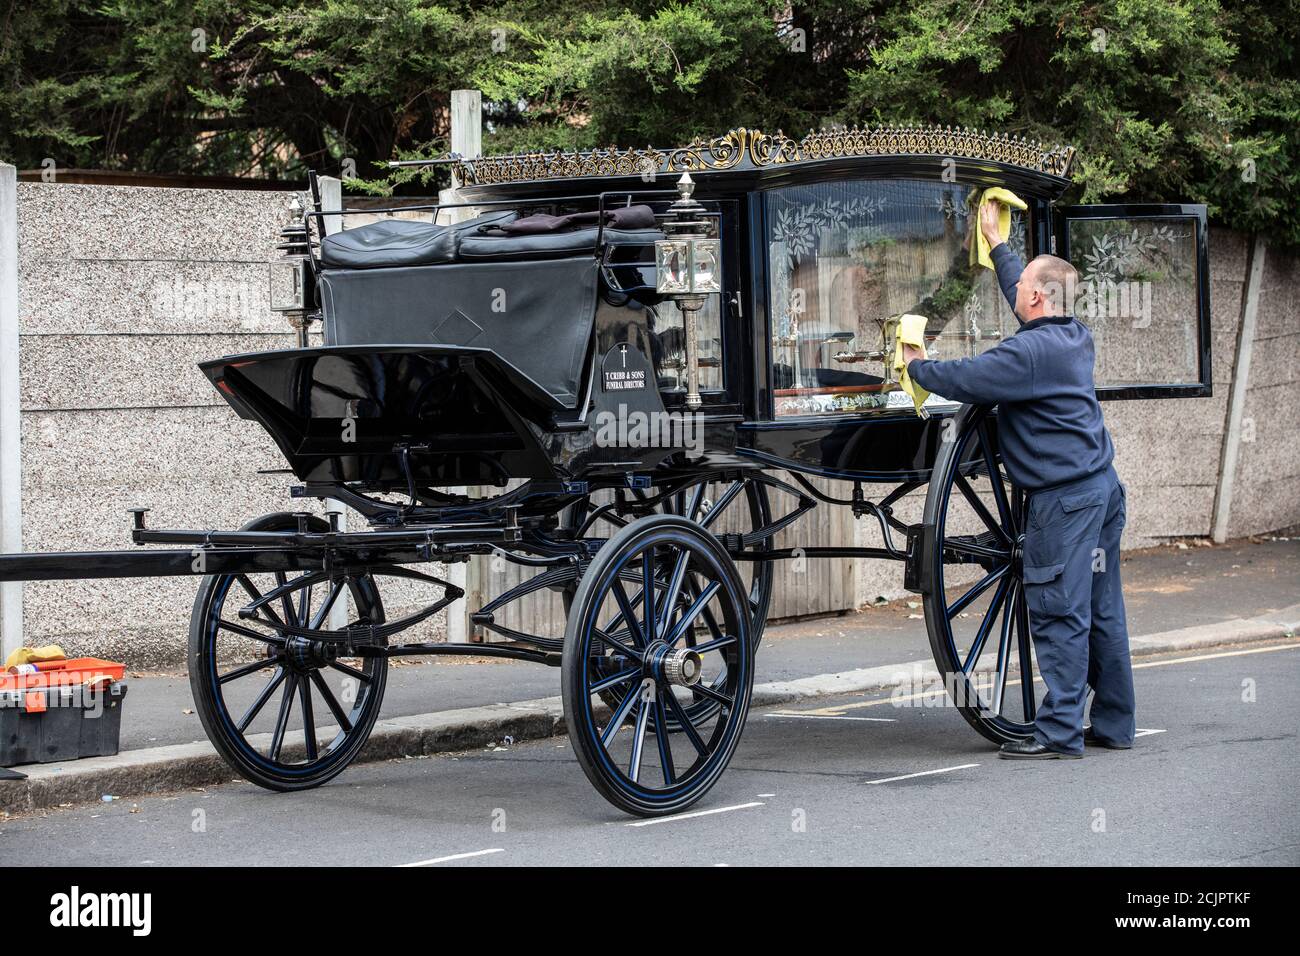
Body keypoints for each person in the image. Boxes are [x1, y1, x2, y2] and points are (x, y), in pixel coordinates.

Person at [901, 199, 1136, 759]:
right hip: (1101, 490)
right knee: (1102, 609)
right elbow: (1021, 290)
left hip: (1064, 502)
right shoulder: (1073, 334)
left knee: (1059, 611)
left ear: (1037, 298)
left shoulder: (1028, 353)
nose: (1017, 292)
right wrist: (998, 244)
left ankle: (1057, 734)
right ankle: (1114, 724)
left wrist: (915, 363)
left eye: (1024, 285)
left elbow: (969, 377)